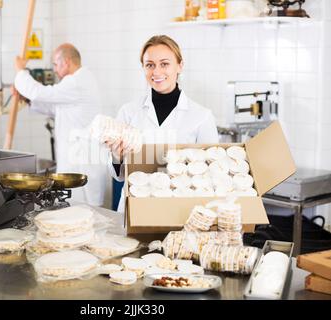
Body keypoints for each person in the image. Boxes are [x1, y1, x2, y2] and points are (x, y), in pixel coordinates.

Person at [106, 35, 219, 212]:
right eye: (150, 65)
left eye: (164, 64)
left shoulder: (202, 117)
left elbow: (213, 174)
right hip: (135, 209)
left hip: (180, 211)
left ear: (180, 66)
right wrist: (116, 156)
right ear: (143, 68)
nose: (156, 72)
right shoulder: (128, 112)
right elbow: (118, 176)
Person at [13, 43, 107, 207]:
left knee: (82, 210)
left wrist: (21, 72)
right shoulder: (80, 81)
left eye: (56, 64)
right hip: (79, 158)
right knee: (77, 210)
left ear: (67, 61)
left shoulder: (76, 81)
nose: (55, 69)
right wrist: (26, 98)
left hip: (81, 162)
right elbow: (55, 107)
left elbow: (40, 93)